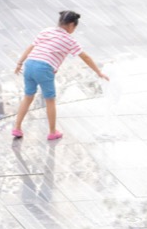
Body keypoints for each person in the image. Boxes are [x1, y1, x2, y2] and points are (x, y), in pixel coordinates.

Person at [11, 9, 108, 142]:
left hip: (29, 64)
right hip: (44, 68)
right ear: (71, 25)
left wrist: (19, 63)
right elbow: (85, 57)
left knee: (28, 97)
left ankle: (17, 127)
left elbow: (31, 47)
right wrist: (98, 72)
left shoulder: (46, 31)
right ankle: (52, 132)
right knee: (50, 100)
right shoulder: (69, 40)